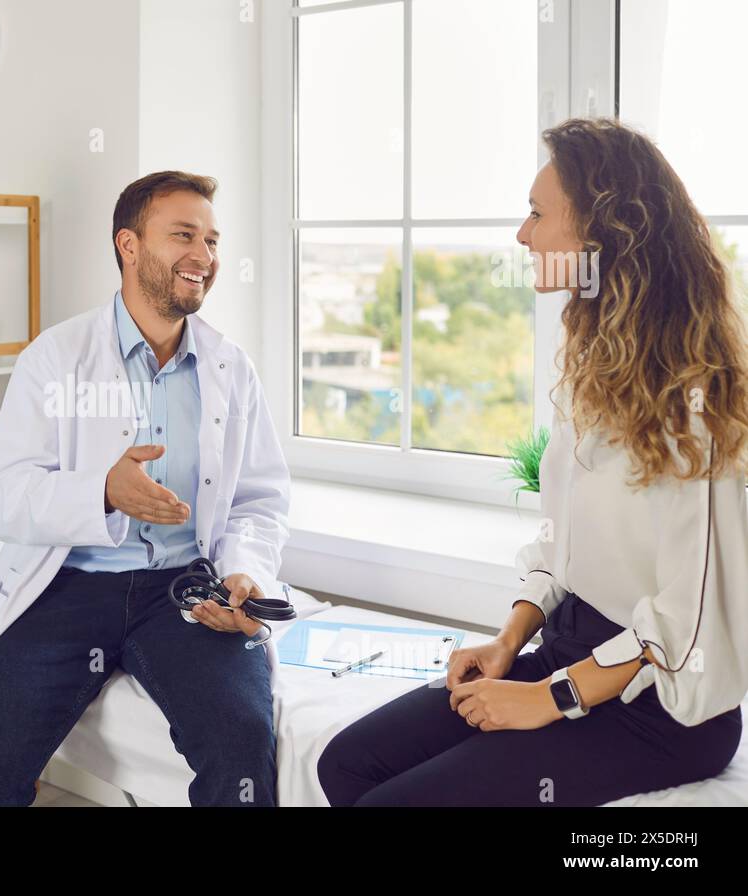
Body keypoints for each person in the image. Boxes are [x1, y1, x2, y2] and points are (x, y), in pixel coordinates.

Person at [317, 118, 748, 807]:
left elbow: (686, 619)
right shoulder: (592, 365)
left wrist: (553, 697)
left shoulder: (693, 399)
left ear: (604, 232)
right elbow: (559, 541)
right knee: (346, 763)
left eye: (538, 213)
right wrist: (509, 640)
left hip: (662, 706)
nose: (523, 236)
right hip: (567, 645)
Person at [0, 171, 292, 806]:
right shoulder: (55, 357)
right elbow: (4, 498)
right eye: (183, 235)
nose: (203, 256)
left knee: (241, 740)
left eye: (211, 239)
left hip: (186, 588)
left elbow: (258, 500)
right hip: (68, 584)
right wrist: (102, 492)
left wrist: (245, 574)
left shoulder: (232, 368)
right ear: (129, 245)